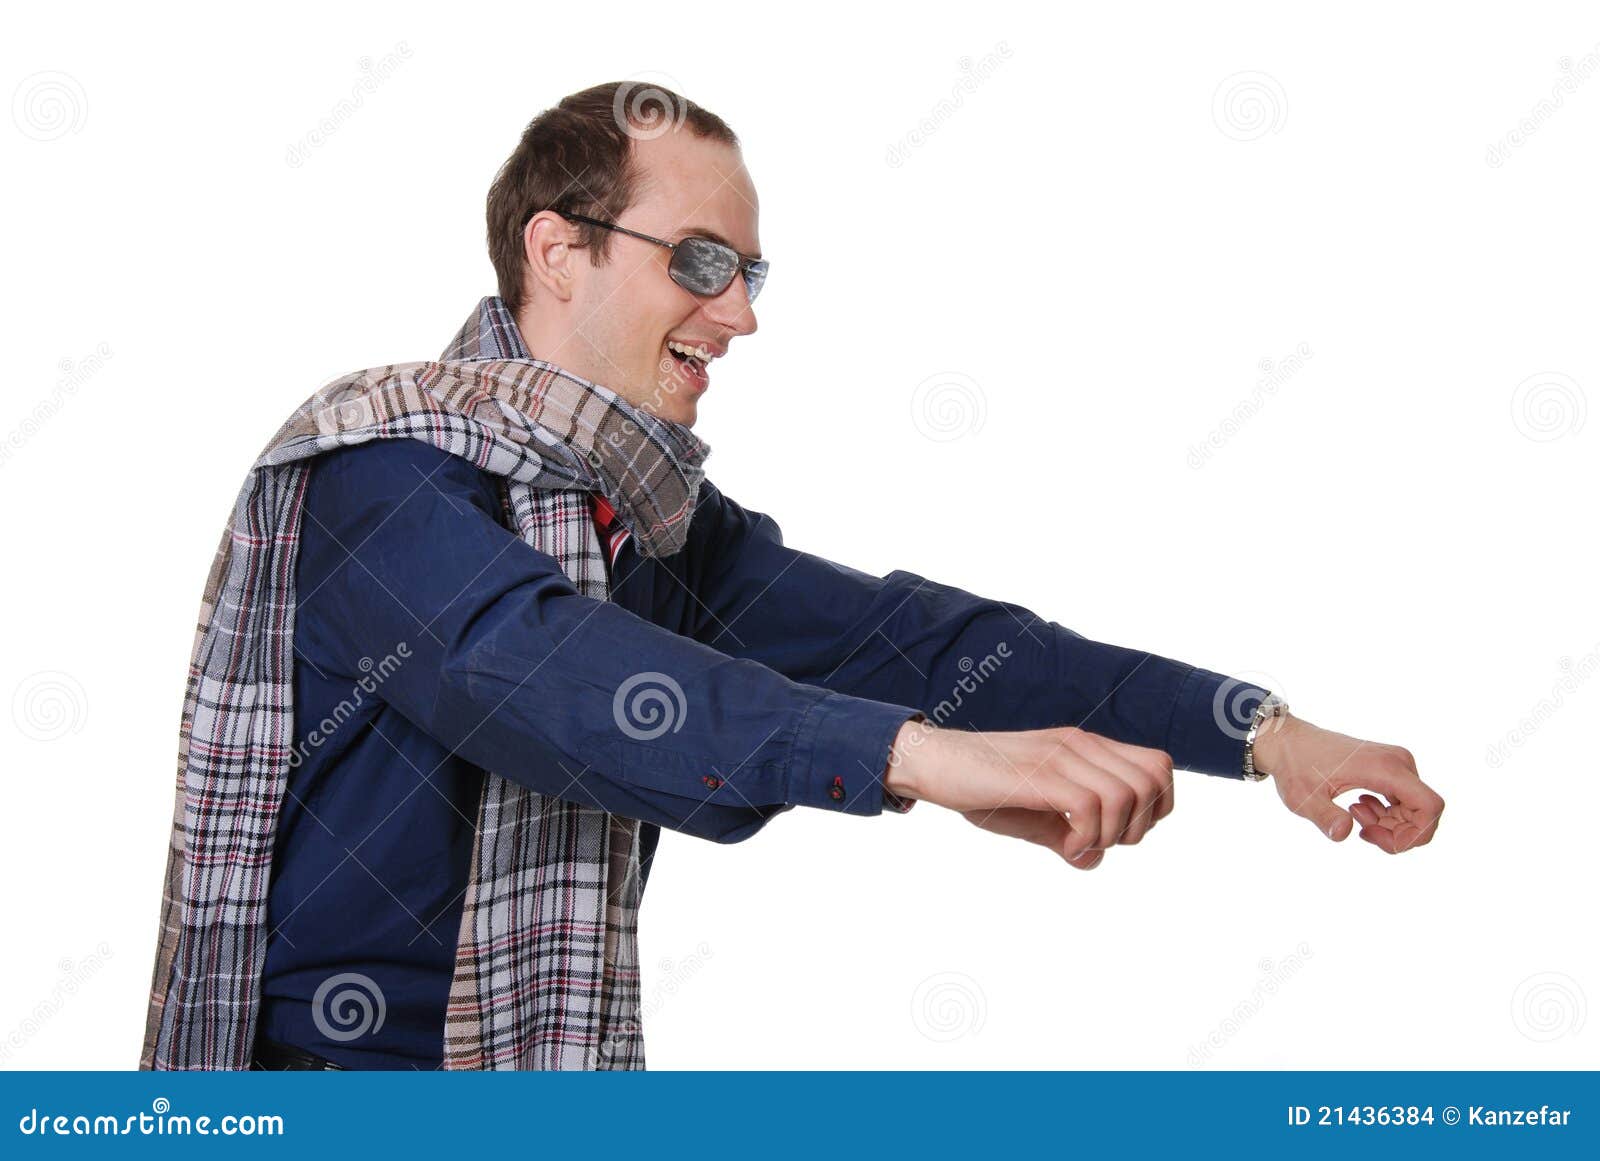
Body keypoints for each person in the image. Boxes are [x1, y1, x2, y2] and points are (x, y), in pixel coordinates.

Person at [142, 81, 1444, 1072]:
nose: (742, 315)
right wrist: (918, 760)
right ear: (557, 251)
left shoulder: (649, 523)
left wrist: (1266, 734)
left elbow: (931, 645)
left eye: (750, 272)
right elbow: (543, 676)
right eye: (700, 262)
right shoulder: (381, 469)